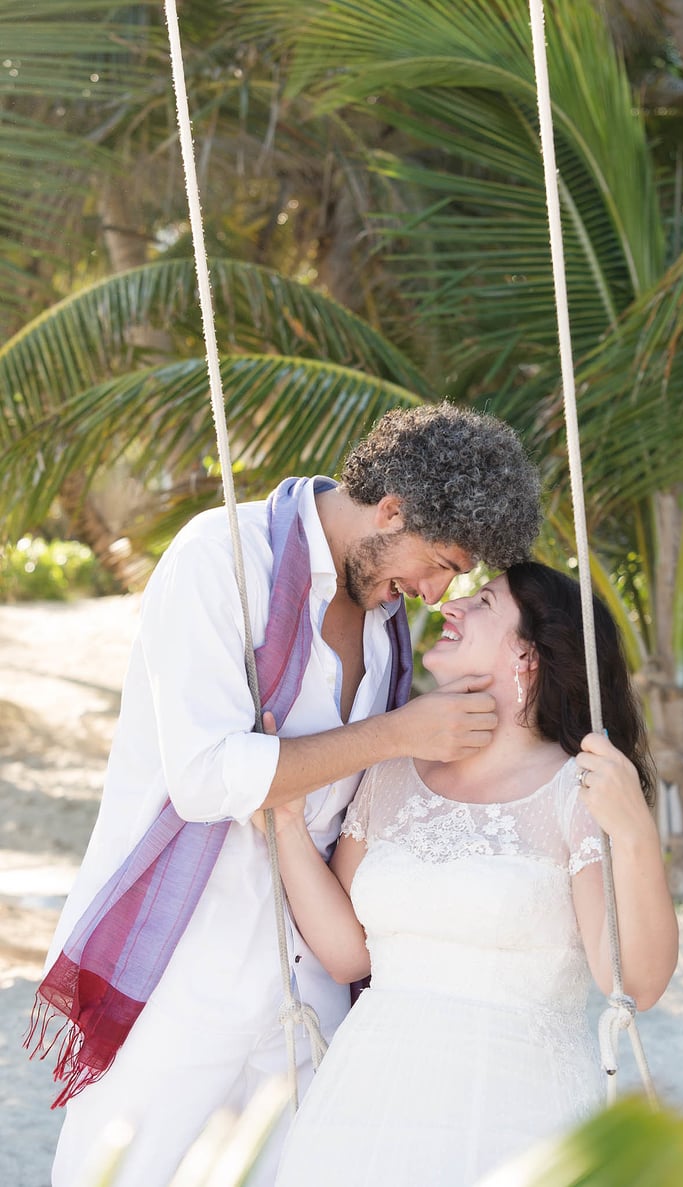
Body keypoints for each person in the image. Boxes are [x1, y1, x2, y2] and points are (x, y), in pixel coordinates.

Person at [30, 403, 542, 1187]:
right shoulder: (222, 558)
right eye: (440, 561)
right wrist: (400, 732)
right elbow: (205, 777)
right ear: (392, 509)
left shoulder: (387, 622)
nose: (436, 590)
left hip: (309, 973)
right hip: (183, 959)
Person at [271, 562, 679, 1187]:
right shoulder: (395, 772)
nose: (450, 607)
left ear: (531, 653)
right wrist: (288, 826)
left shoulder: (581, 788)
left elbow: (634, 984)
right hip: (366, 1100)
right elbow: (349, 957)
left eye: (483, 601)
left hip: (516, 1110)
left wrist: (634, 835)